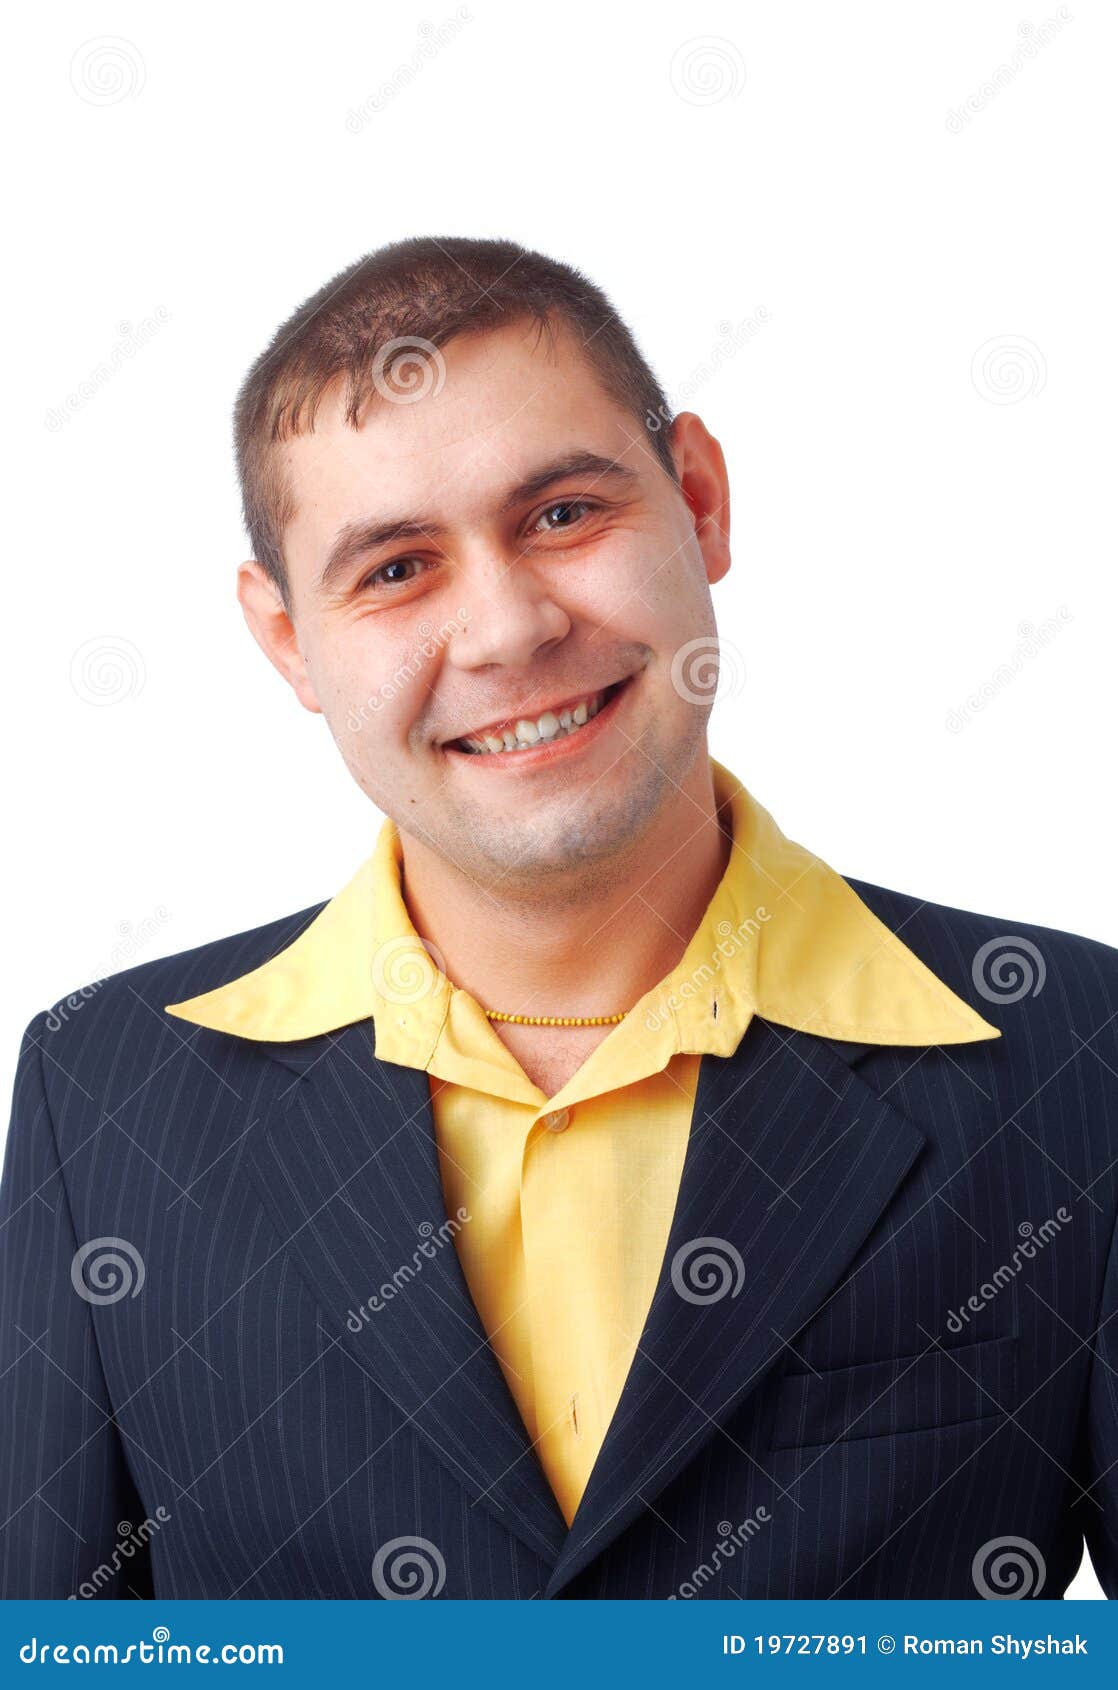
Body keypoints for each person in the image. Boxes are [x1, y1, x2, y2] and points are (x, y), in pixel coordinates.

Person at [2, 237, 1115, 1601]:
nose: (509, 627)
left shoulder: (1076, 1052)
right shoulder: (100, 1090)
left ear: (696, 499)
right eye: (397, 568)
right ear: (288, 639)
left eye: (563, 515)